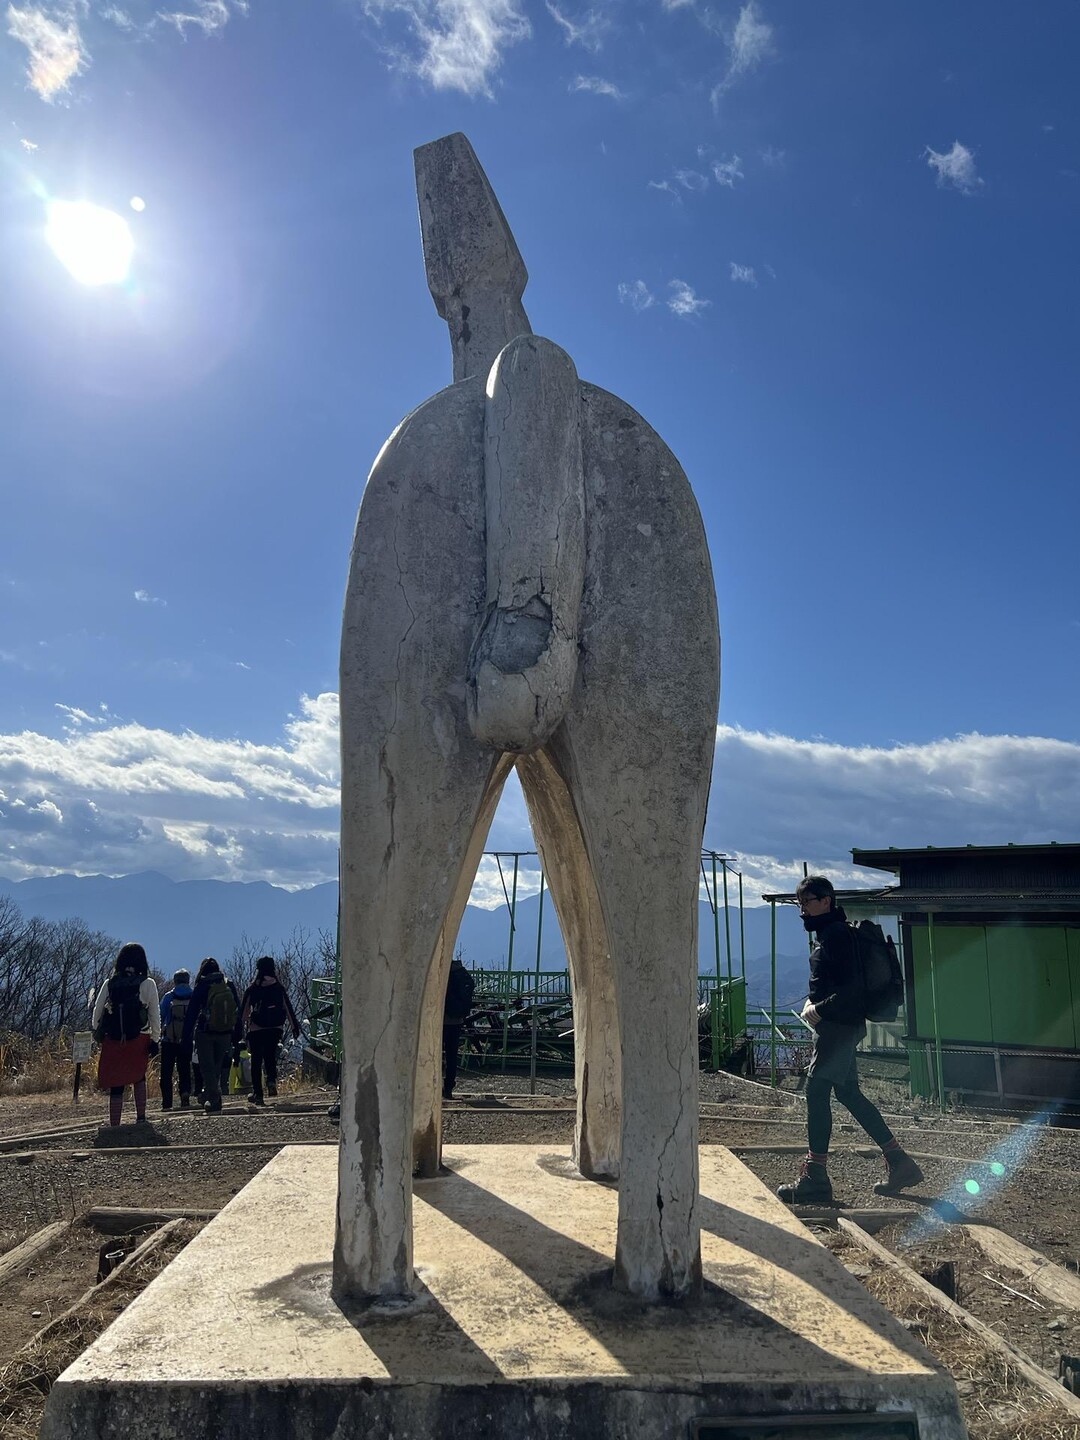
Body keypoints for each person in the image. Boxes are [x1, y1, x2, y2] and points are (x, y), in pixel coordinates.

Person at [778, 876, 923, 1205]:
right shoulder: (834, 934)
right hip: (843, 1027)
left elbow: (850, 992)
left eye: (808, 902)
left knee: (816, 1091)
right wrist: (816, 1005)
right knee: (848, 1093)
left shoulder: (836, 937)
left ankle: (815, 1178)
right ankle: (900, 1164)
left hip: (838, 1028)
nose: (802, 910)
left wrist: (817, 1010)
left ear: (826, 901)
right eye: (799, 904)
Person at [91, 942, 161, 1127]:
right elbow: (154, 1014)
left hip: (114, 1038)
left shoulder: (110, 983)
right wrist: (155, 1039)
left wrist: (101, 1031)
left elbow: (96, 1014)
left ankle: (115, 1123)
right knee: (138, 1076)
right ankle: (141, 1118)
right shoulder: (148, 983)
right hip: (139, 1037)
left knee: (117, 1081)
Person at [238, 956, 301, 1106]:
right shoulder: (278, 987)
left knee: (257, 1061)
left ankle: (258, 1094)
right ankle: (271, 1081)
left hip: (257, 1030)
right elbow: (288, 1007)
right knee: (270, 1057)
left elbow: (244, 1014)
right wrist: (294, 1027)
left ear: (258, 970)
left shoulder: (253, 988)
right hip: (275, 1029)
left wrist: (239, 1031)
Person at [181, 957, 241, 1113]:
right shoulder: (228, 984)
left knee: (207, 1067)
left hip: (205, 1032)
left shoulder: (202, 986)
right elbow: (237, 1011)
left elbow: (192, 1013)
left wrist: (186, 1036)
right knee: (216, 1067)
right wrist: (238, 1034)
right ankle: (208, 1095)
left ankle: (214, 1099)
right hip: (225, 1033)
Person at [159, 968, 194, 1110]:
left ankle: (167, 1102)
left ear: (175, 981)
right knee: (184, 1069)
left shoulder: (169, 997)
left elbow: (161, 1015)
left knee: (166, 1072)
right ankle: (185, 1094)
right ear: (187, 980)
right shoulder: (193, 996)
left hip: (169, 1040)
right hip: (186, 1040)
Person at [442, 955, 475, 1101]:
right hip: (456, 1020)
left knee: (435, 1056)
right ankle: (448, 1088)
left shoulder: (442, 972)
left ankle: (433, 1086)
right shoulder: (461, 972)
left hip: (441, 1021)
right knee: (452, 1056)